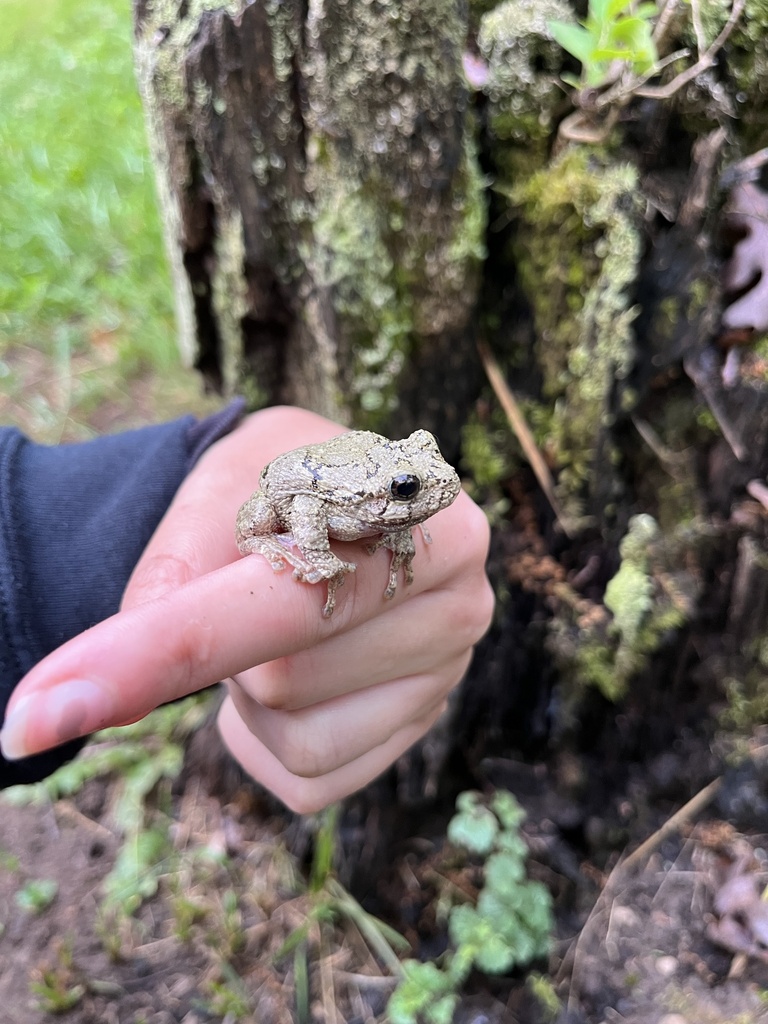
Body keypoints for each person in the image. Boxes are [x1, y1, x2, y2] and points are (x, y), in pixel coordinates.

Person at [0, 404, 493, 813]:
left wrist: (400, 528)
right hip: (291, 492)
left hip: (346, 480)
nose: (447, 483)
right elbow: (307, 508)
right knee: (261, 520)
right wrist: (317, 556)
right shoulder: (345, 505)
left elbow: (386, 508)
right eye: (410, 489)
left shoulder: (377, 503)